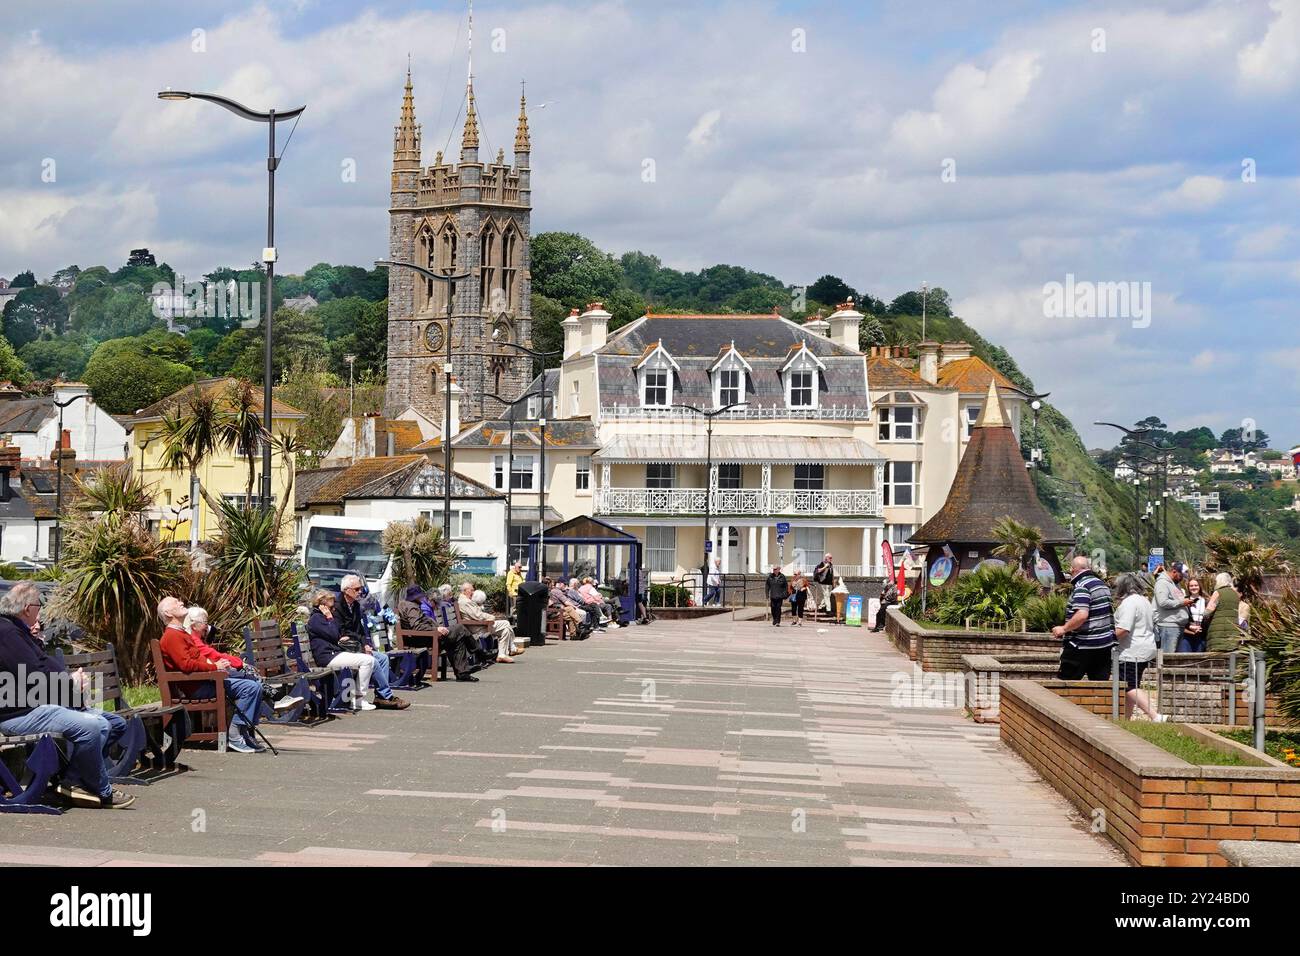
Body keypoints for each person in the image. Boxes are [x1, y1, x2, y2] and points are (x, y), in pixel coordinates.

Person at [0, 581, 135, 809]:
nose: (40, 611)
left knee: (112, 724)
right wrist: (69, 682)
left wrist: (69, 679)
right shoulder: (7, 633)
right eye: (38, 606)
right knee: (93, 726)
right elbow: (34, 676)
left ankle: (72, 782)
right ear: (27, 608)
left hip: (35, 705)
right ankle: (103, 791)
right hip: (19, 713)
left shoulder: (17, 631)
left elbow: (41, 666)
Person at [307, 590, 409, 710]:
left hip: (335, 653)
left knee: (372, 659)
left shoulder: (324, 617)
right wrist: (330, 619)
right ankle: (359, 699)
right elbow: (335, 635)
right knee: (368, 661)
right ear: (322, 605)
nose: (334, 609)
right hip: (328, 657)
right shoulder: (317, 619)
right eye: (331, 606)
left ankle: (376, 696)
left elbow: (338, 633)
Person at [335, 574, 407, 709]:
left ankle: (380, 696)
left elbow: (360, 630)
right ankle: (386, 695)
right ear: (346, 590)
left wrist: (365, 645)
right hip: (345, 647)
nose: (360, 591)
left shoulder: (355, 605)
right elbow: (342, 631)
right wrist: (362, 647)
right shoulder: (338, 606)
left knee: (383, 658)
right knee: (373, 660)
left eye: (360, 588)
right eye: (356, 589)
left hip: (356, 645)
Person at [1113, 573, 1167, 721]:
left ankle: (1155, 716)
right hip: (1145, 648)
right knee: (1132, 685)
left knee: (1128, 686)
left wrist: (1108, 638)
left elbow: (1124, 628)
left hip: (1131, 650)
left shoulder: (1129, 603)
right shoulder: (1144, 601)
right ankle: (1126, 719)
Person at [397, 585, 479, 682]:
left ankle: (463, 673)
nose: (422, 598)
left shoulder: (411, 605)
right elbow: (417, 627)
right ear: (416, 597)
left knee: (458, 638)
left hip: (426, 636)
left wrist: (436, 628)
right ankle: (478, 652)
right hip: (423, 638)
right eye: (420, 596)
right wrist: (436, 629)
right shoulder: (411, 607)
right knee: (460, 629)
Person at [1052, 555, 1116, 680]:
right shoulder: (1101, 584)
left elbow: (1082, 615)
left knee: (1066, 684)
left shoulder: (1082, 586)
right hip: (1103, 645)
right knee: (1100, 687)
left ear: (1073, 569)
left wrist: (1063, 629)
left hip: (1081, 645)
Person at [458, 581, 521, 662]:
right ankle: (511, 648)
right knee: (506, 623)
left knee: (506, 630)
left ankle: (502, 655)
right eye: (471, 590)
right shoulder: (465, 602)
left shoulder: (465, 600)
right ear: (465, 590)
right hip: (477, 627)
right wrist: (492, 617)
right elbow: (478, 616)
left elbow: (477, 614)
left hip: (479, 625)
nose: (473, 592)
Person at [1151, 562, 1191, 655]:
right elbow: (1163, 602)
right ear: (1174, 572)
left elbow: (1176, 601)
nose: (1182, 579)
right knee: (1168, 657)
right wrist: (1182, 602)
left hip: (1177, 626)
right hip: (1168, 626)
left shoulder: (1175, 584)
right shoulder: (1162, 583)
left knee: (1174, 658)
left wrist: (1186, 603)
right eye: (1181, 576)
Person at [1204, 572, 1244, 652]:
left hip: (1218, 632)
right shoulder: (1235, 594)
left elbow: (1209, 611)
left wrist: (1203, 615)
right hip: (1233, 631)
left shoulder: (1218, 592)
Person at [1178, 577, 1207, 653]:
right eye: (1191, 586)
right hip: (1187, 634)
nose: (1194, 587)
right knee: (1185, 658)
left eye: (1196, 585)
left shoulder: (1206, 601)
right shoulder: (1184, 600)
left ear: (1200, 586)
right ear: (1188, 587)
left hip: (1201, 635)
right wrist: (1190, 627)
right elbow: (1180, 617)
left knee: (1198, 660)